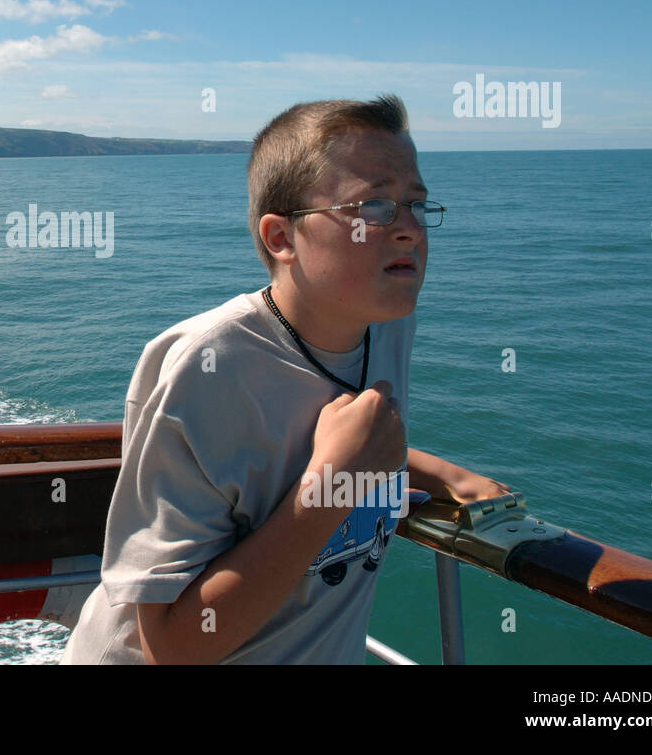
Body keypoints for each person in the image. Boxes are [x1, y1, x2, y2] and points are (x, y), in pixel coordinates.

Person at [62, 94, 508, 664]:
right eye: (372, 207)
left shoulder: (386, 323)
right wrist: (332, 484)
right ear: (282, 238)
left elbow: (318, 438)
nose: (409, 231)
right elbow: (172, 647)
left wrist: (443, 473)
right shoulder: (206, 370)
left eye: (416, 207)